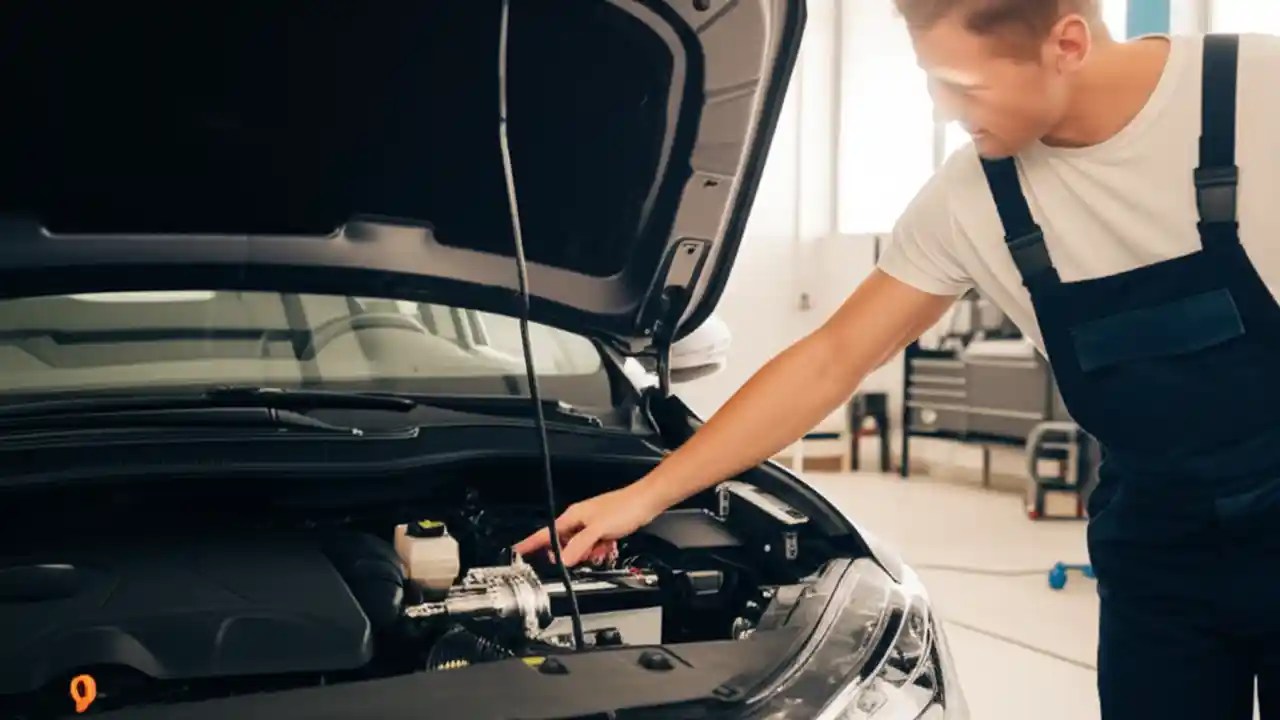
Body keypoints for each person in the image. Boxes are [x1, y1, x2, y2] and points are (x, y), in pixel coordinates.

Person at [517, 1, 1280, 716]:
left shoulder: (1260, 94)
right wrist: (647, 494)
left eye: (964, 84)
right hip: (1157, 544)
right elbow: (836, 354)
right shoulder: (970, 197)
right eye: (931, 81)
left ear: (1068, 45)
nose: (947, 111)